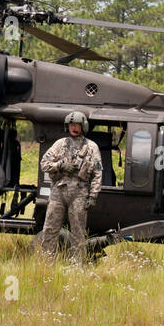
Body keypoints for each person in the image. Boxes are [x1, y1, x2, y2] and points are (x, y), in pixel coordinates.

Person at [39, 109, 102, 261]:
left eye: (77, 125)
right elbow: (44, 164)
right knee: (49, 229)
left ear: (83, 126)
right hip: (58, 192)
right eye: (71, 124)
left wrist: (93, 196)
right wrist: (61, 165)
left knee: (78, 232)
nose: (74, 127)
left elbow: (97, 174)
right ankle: (46, 263)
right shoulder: (60, 144)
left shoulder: (92, 147)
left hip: (80, 193)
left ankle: (77, 265)